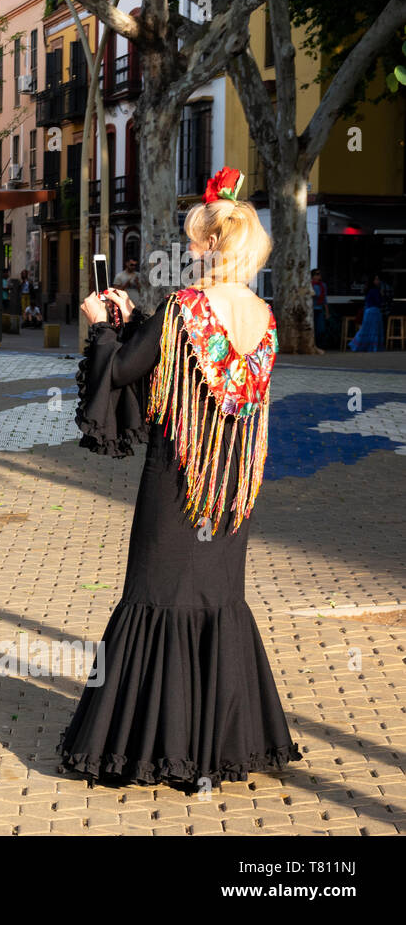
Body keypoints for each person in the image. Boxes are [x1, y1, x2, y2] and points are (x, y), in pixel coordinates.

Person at [61, 165, 300, 789]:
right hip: (232, 486)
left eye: (196, 241)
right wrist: (137, 319)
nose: (189, 250)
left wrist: (104, 323)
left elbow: (123, 371)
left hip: (180, 479)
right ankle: (209, 758)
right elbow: (176, 360)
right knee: (217, 601)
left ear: (216, 246)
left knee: (156, 595)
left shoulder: (185, 307)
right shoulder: (265, 318)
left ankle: (156, 750)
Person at [348, 273, 385, 352]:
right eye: (376, 279)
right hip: (374, 312)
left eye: (378, 279)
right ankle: (372, 347)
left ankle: (361, 346)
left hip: (368, 311)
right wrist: (381, 295)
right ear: (373, 281)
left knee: (366, 329)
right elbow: (378, 302)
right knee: (373, 330)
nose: (378, 281)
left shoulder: (369, 290)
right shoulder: (375, 290)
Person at [310, 268, 328, 354]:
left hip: (320, 309)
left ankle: (320, 345)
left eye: (319, 274)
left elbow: (324, 299)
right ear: (312, 276)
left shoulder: (322, 285)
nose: (318, 276)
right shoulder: (310, 285)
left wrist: (327, 311)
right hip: (312, 309)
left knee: (320, 329)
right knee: (312, 328)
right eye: (316, 274)